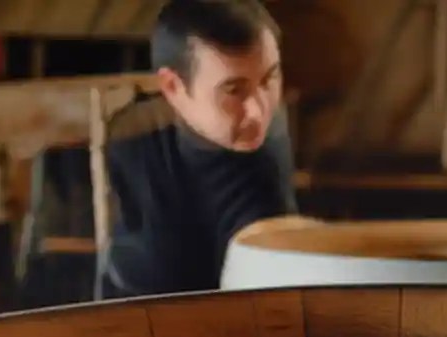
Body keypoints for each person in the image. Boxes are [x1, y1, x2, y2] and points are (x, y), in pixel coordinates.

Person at [98, 0, 298, 299]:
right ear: (173, 87)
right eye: (233, 90)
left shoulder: (260, 138)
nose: (259, 111)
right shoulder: (131, 139)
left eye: (269, 78)